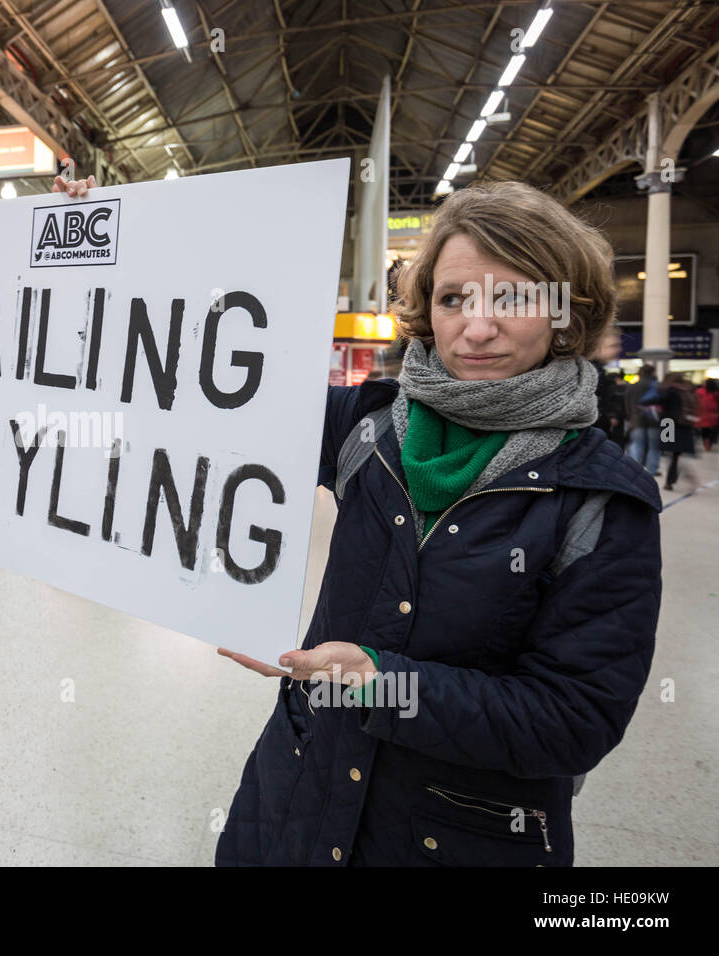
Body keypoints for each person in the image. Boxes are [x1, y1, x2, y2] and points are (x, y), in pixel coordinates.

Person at [56, 175, 664, 866]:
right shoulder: (371, 428)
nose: (477, 326)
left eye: (514, 297)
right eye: (453, 298)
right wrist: (109, 248)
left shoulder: (602, 500)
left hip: (456, 839)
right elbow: (187, 384)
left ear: (566, 312)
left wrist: (382, 682)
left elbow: (573, 720)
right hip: (293, 802)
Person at [660, 372, 698, 492]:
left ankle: (670, 480)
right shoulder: (688, 391)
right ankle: (675, 477)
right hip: (685, 425)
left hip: (669, 424)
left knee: (669, 454)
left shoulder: (670, 391)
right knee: (677, 454)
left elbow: (656, 402)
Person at [625, 362, 662, 475]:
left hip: (637, 418)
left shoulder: (633, 385)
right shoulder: (658, 386)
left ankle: (635, 469)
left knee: (637, 444)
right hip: (655, 419)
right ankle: (652, 470)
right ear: (652, 372)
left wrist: (630, 415)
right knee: (654, 446)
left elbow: (626, 402)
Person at [695, 378, 719, 452]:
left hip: (702, 413)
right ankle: (709, 442)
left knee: (704, 429)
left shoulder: (700, 391)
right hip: (714, 413)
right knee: (714, 430)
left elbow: (696, 400)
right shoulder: (716, 392)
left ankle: (705, 441)